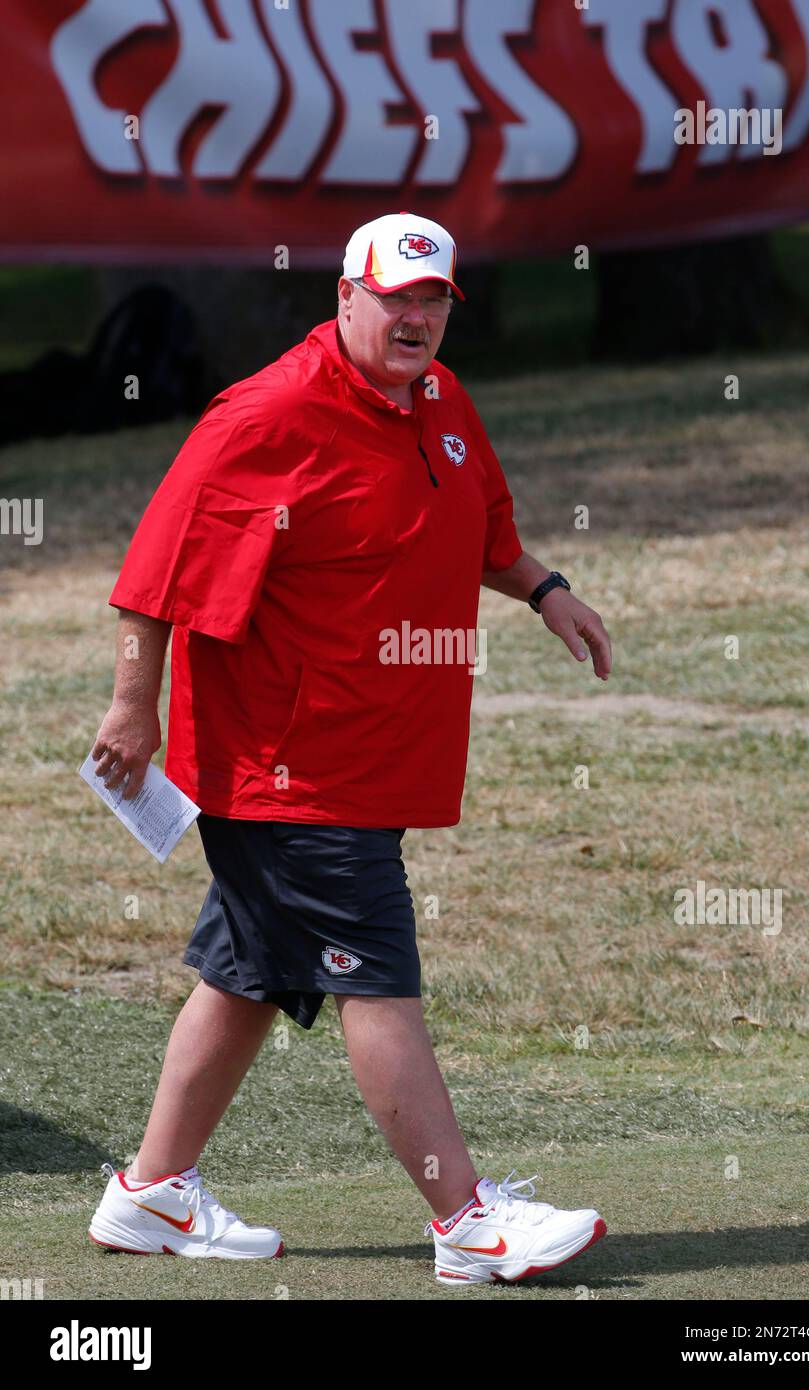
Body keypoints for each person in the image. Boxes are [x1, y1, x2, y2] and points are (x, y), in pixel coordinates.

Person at [86, 211, 613, 1285]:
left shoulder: (441, 403)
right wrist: (133, 711)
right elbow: (156, 571)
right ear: (344, 296)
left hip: (372, 760)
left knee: (245, 973)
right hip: (291, 767)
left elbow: (481, 530)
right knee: (374, 978)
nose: (414, 317)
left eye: (432, 301)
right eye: (395, 297)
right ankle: (466, 1220)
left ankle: (150, 1195)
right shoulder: (265, 414)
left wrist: (543, 589)